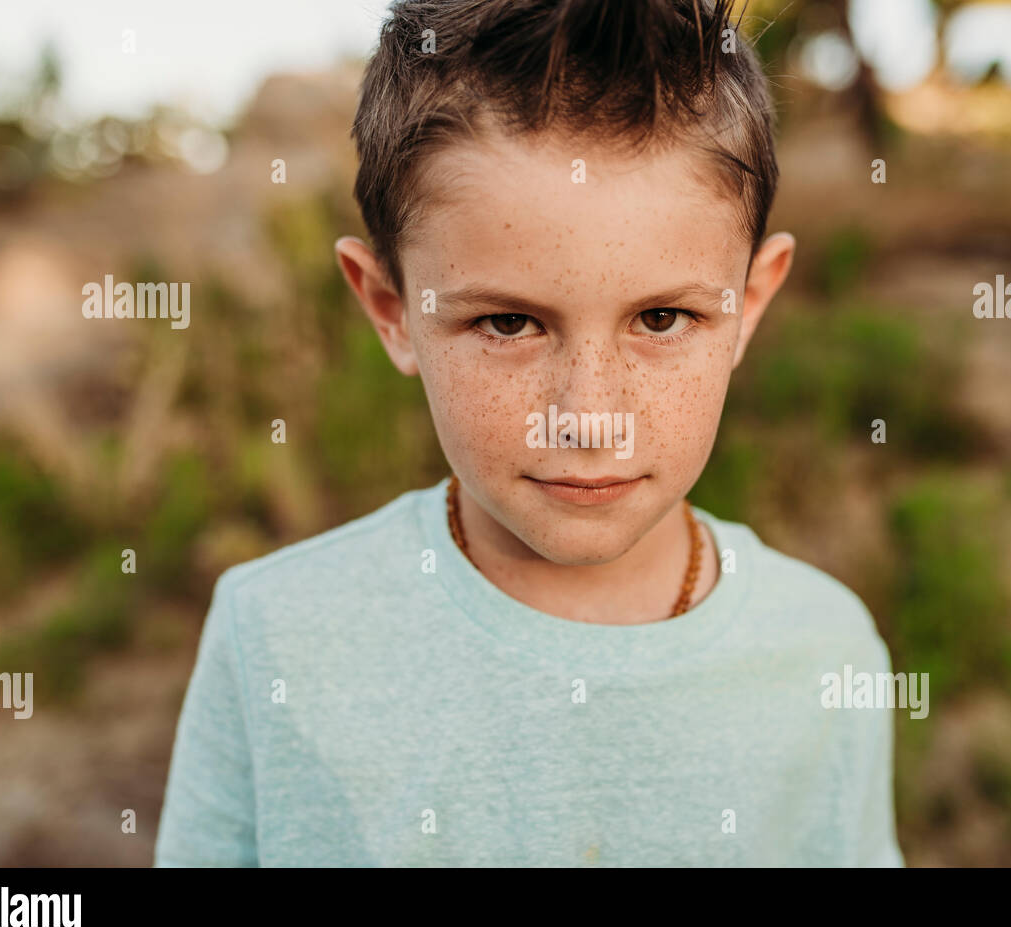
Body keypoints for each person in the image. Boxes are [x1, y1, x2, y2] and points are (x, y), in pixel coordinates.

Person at [155, 0, 906, 867]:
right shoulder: (274, 634)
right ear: (390, 310)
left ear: (750, 305)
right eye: (508, 323)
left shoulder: (826, 650)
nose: (589, 415)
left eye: (662, 317)